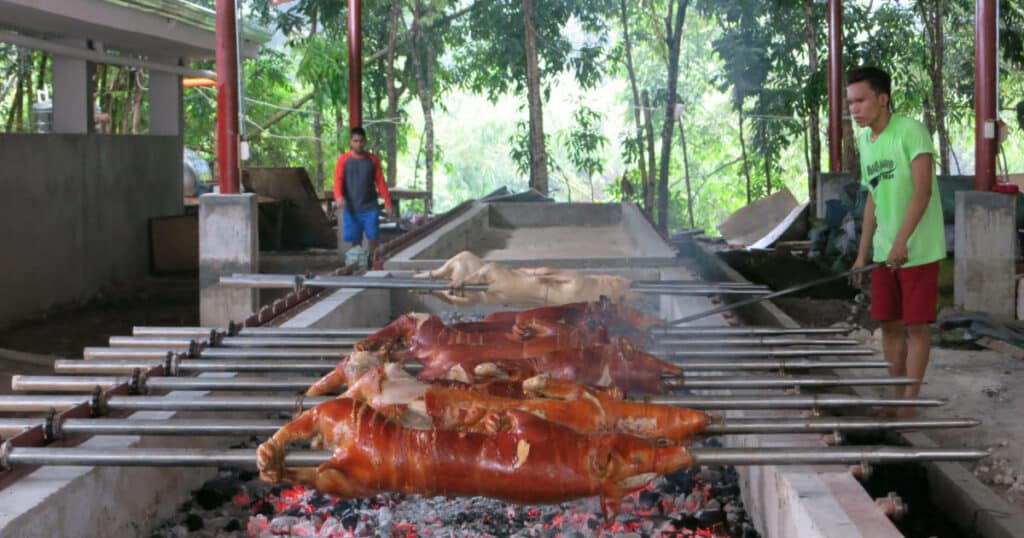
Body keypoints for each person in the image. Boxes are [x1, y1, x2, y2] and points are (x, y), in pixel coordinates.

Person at [847, 66, 946, 417]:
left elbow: (923, 191)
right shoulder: (864, 141)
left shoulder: (911, 132)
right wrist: (863, 254)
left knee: (915, 327)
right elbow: (873, 197)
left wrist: (902, 242)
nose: (854, 109)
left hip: (916, 250)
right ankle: (893, 394)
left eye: (860, 101)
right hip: (883, 251)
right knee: (888, 324)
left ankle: (909, 402)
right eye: (850, 103)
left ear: (882, 98)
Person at [334, 127, 394, 266]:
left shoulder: (372, 160)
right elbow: (338, 180)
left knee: (373, 237)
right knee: (355, 240)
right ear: (351, 142)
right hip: (352, 208)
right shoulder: (343, 160)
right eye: (355, 141)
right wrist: (338, 196)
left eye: (361, 141)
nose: (358, 144)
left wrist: (387, 201)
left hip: (370, 206)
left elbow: (380, 182)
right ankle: (357, 265)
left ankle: (374, 263)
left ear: (365, 142)